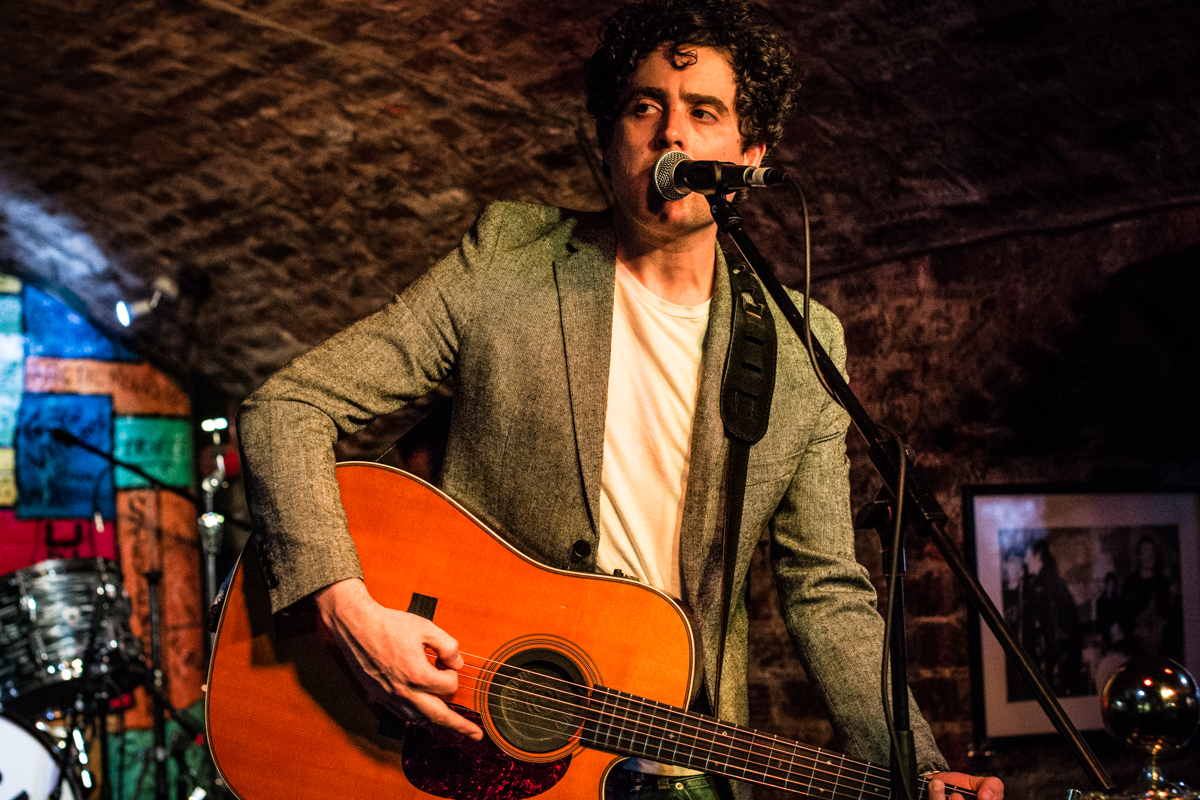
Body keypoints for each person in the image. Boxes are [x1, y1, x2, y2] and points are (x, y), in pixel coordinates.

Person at [237, 2, 1003, 799]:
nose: (671, 133)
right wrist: (345, 607)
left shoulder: (801, 342)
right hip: (480, 742)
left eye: (703, 112)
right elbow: (286, 408)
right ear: (610, 139)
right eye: (645, 107)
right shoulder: (506, 262)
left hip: (682, 760)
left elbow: (824, 589)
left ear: (749, 154)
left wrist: (918, 762)